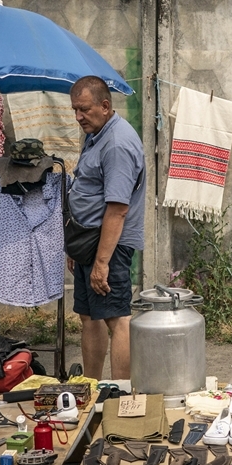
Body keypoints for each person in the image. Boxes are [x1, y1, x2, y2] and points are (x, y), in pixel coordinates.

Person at [67, 75, 145, 379]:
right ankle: (92, 387)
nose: (78, 117)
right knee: (89, 316)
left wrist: (101, 263)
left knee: (116, 318)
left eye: (84, 109)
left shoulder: (116, 143)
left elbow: (117, 209)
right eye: (75, 109)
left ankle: (119, 397)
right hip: (89, 242)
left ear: (105, 105)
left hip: (109, 245)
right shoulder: (96, 133)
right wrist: (78, 247)